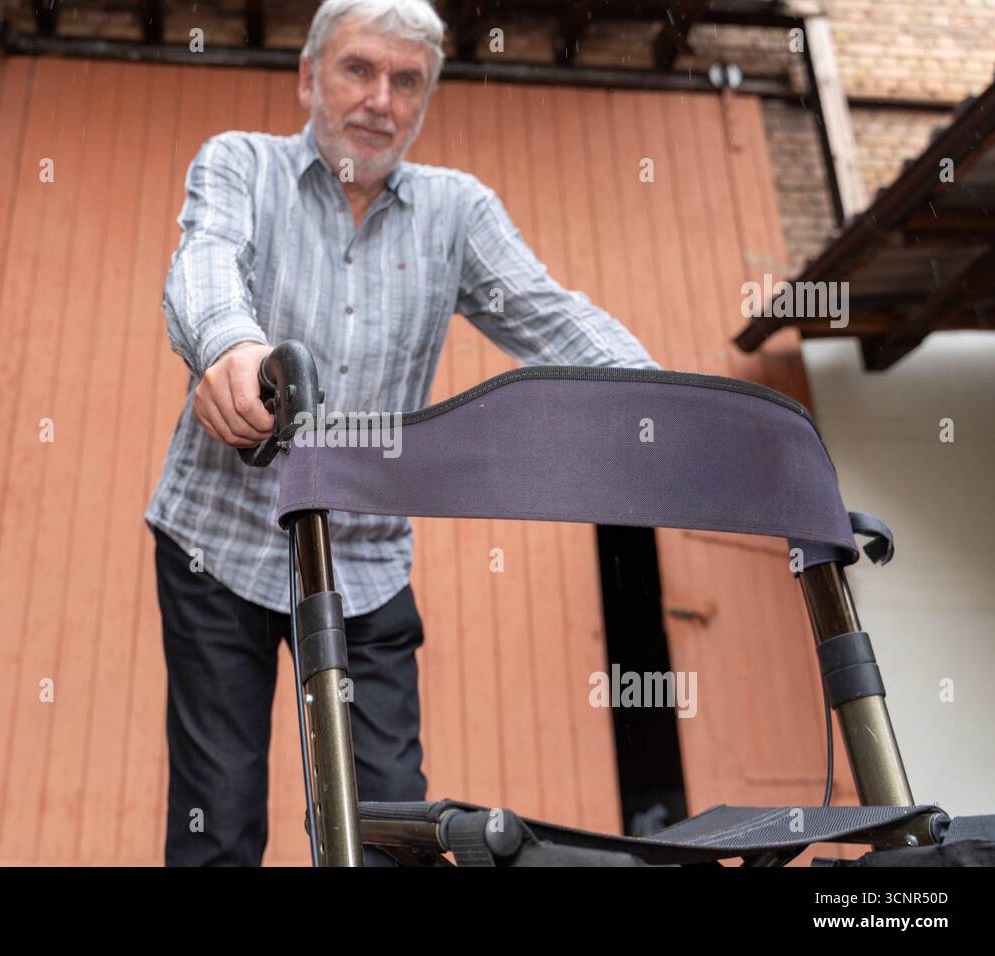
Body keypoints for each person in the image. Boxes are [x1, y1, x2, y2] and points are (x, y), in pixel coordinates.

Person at [144, 0, 660, 866]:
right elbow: (205, 260)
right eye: (358, 70)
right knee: (219, 821)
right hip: (216, 548)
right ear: (310, 78)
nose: (381, 99)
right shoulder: (239, 164)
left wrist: (671, 408)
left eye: (406, 81)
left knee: (384, 830)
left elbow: (550, 319)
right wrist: (230, 344)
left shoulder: (457, 212)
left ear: (423, 101)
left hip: (366, 565)